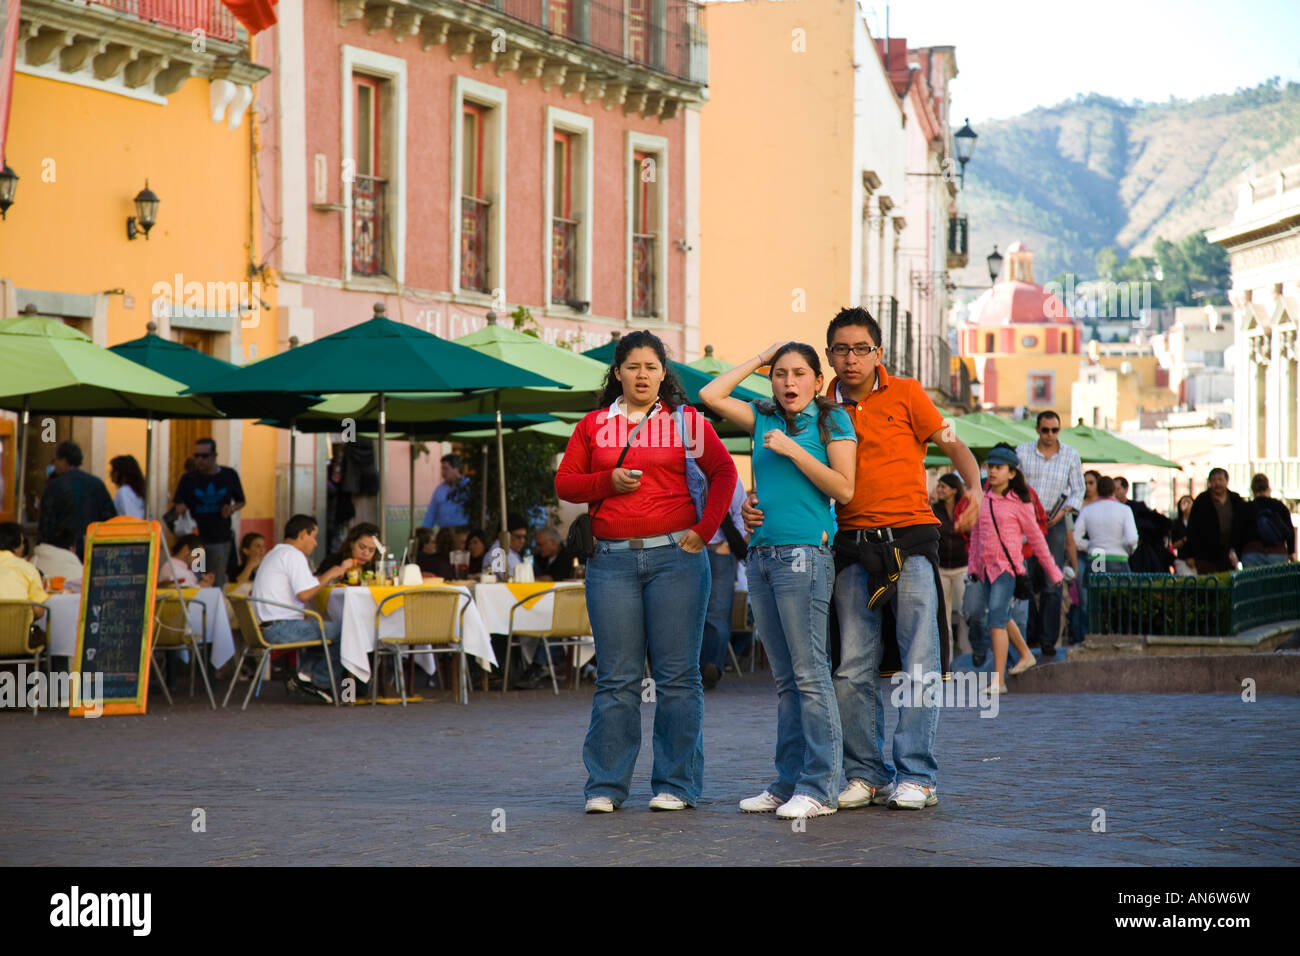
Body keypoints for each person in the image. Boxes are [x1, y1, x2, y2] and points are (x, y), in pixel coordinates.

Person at [746, 308, 982, 811]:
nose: (850, 359)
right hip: (849, 545)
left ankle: (917, 775)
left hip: (912, 539)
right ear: (828, 355)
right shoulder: (818, 402)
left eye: (861, 349)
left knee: (919, 661)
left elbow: (952, 444)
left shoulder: (909, 394)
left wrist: (976, 489)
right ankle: (867, 773)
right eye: (840, 350)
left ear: (879, 353)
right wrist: (753, 503)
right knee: (852, 668)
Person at [556, 329, 737, 813]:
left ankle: (675, 785)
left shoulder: (687, 421)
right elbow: (566, 483)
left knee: (678, 677)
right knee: (616, 678)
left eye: (651, 367)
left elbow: (725, 473)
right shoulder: (593, 425)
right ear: (617, 372)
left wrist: (705, 529)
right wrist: (607, 481)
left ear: (663, 374)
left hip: (676, 558)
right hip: (610, 561)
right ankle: (605, 787)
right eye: (632, 366)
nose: (642, 375)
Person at [701, 340, 856, 819]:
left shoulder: (833, 420)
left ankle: (821, 787)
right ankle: (787, 782)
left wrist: (793, 451)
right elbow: (710, 394)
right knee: (786, 680)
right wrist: (758, 358)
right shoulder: (763, 416)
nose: (789, 382)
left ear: (816, 379)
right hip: (763, 556)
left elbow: (845, 488)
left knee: (811, 677)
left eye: (798, 374)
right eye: (780, 374)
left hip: (806, 556)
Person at [966, 446, 1061, 693]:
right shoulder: (982, 498)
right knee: (1002, 617)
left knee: (995, 621)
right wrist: (973, 566)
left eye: (999, 467)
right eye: (991, 466)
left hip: (1007, 570)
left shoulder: (1021, 503)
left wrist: (1054, 572)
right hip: (985, 569)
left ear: (1011, 473)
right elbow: (976, 534)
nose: (993, 471)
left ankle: (999, 681)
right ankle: (1026, 654)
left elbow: (1037, 540)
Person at [251, 514, 353, 703]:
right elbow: (305, 594)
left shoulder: (275, 553)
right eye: (313, 537)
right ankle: (319, 681)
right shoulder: (293, 555)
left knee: (325, 629)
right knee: (348, 630)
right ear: (303, 534)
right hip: (279, 629)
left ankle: (304, 675)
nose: (315, 543)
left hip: (266, 627)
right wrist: (331, 573)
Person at [1014, 411, 1083, 658]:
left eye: (1054, 430)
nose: (1050, 435)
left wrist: (1063, 512)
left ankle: (1047, 640)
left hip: (1055, 522)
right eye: (1045, 430)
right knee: (1023, 576)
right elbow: (1013, 486)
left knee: (1052, 581)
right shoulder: (1022, 452)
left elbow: (1078, 491)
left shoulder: (1071, 455)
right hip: (1025, 522)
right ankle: (1031, 633)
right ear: (1037, 430)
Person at [171, 438, 245, 587]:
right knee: (197, 579)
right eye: (196, 456)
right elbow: (178, 502)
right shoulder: (188, 479)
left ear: (214, 456)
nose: (199, 460)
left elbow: (241, 501)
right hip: (197, 542)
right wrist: (181, 509)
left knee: (216, 580)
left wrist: (231, 509)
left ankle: (214, 609)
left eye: (204, 456)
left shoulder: (229, 475)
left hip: (220, 539)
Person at [699, 480, 748, 690]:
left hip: (713, 549)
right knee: (713, 615)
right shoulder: (727, 472)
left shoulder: (727, 474)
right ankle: (707, 668)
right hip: (706, 550)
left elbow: (740, 511)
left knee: (715, 614)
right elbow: (740, 511)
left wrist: (729, 545)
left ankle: (709, 668)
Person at [1073, 475, 1138, 627]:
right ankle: (1118, 631)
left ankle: (1097, 631)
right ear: (1114, 491)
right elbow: (1132, 539)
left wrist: (1091, 545)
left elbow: (1075, 538)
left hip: (1097, 556)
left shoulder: (1088, 510)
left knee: (1098, 598)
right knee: (1121, 600)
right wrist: (1128, 550)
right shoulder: (1124, 510)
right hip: (1119, 558)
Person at [38, 441, 116, 558]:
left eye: (56, 460)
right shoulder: (97, 484)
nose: (55, 465)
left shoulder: (54, 487)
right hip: (92, 549)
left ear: (63, 461)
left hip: (62, 550)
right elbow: (110, 519)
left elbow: (46, 523)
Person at [932, 473, 971, 662]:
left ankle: (967, 655)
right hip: (940, 569)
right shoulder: (933, 510)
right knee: (943, 617)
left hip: (962, 567)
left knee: (966, 612)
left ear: (954, 490)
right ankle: (945, 660)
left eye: (943, 486)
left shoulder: (966, 509)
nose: (939, 490)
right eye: (938, 486)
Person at [1185, 468, 1244, 574]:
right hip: (1206, 555)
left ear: (1226, 481)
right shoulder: (1202, 500)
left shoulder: (1236, 500)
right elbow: (1192, 528)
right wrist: (1190, 554)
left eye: (1220, 479)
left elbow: (1242, 524)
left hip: (1230, 553)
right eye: (1213, 480)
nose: (1217, 483)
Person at [1237, 473, 1295, 567]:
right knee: (1276, 581)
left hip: (1252, 553)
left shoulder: (1245, 508)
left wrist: (1238, 554)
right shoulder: (1279, 506)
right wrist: (1291, 551)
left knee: (1252, 581)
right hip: (1277, 553)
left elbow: (1238, 532)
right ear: (1268, 488)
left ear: (1252, 490)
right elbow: (1289, 531)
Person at [0, 522, 49, 622]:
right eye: (22, 542)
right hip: (16, 633)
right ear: (15, 546)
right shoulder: (28, 568)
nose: (23, 547)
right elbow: (39, 610)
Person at [422, 453, 471, 530]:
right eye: (442, 468)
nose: (443, 472)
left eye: (446, 468)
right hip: (444, 532)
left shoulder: (469, 487)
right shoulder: (440, 489)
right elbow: (431, 513)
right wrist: (425, 531)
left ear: (456, 469)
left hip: (463, 532)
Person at [485, 513, 528, 581]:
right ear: (506, 535)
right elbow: (514, 579)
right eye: (518, 537)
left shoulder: (511, 552)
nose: (522, 541)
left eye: (524, 537)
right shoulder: (497, 552)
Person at [109, 455, 147, 519]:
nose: (110, 473)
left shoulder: (124, 492)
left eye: (113, 470)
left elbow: (129, 516)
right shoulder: (138, 491)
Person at [1170, 495, 1195, 575]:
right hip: (1182, 559)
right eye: (1184, 502)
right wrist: (1184, 540)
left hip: (1196, 561)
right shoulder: (1176, 524)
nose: (1186, 505)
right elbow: (1173, 545)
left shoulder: (1197, 522)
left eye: (1189, 502)